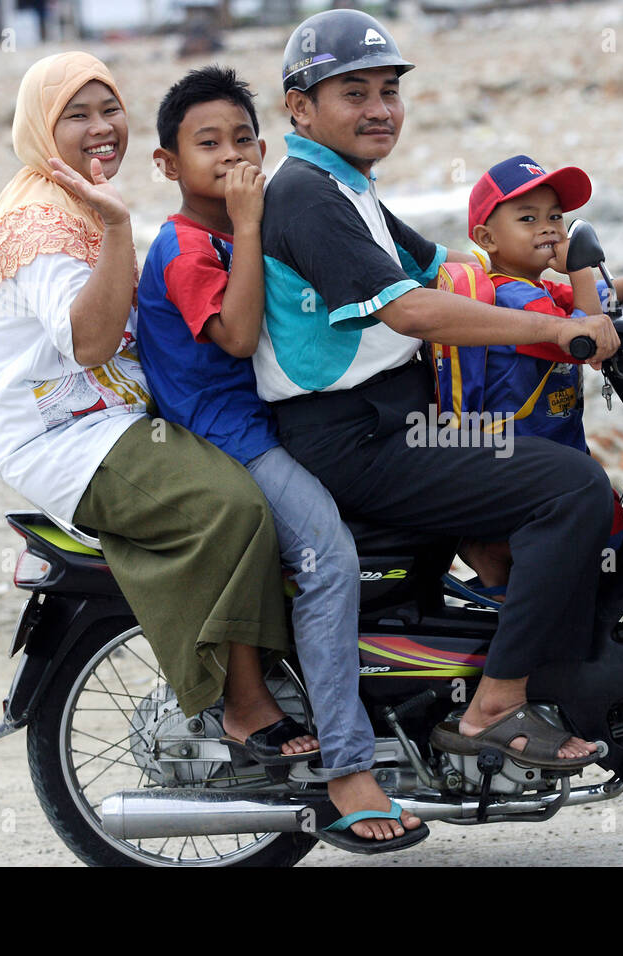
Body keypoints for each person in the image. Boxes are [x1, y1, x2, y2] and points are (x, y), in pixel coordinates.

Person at [256, 9, 621, 770]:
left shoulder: (346, 187)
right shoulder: (305, 195)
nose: (380, 109)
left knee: (532, 469)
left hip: (395, 416)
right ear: (300, 107)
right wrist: (556, 333)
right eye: (353, 93)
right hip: (354, 436)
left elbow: (456, 268)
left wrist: (619, 290)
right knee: (572, 488)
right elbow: (412, 307)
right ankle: (497, 706)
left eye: (389, 90)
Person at [0, 52, 317, 786]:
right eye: (77, 115)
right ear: (39, 126)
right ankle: (243, 703)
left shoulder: (77, 199)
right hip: (62, 435)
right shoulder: (37, 220)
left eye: (110, 109)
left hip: (119, 414)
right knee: (228, 505)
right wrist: (123, 228)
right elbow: (89, 342)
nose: (101, 129)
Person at [135, 65, 424, 852]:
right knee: (328, 558)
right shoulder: (186, 244)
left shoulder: (243, 224)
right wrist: (252, 220)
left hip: (284, 421)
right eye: (207, 144)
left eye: (241, 140)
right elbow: (233, 336)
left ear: (265, 146)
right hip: (234, 437)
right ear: (167, 165)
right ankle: (347, 763)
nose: (229, 156)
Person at [433, 155, 623, 589]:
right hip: (522, 460)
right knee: (604, 525)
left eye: (556, 217)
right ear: (487, 238)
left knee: (606, 517)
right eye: (528, 218)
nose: (549, 228)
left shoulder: (536, 288)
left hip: (555, 449)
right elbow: (585, 331)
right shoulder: (510, 301)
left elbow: (596, 297)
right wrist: (579, 260)